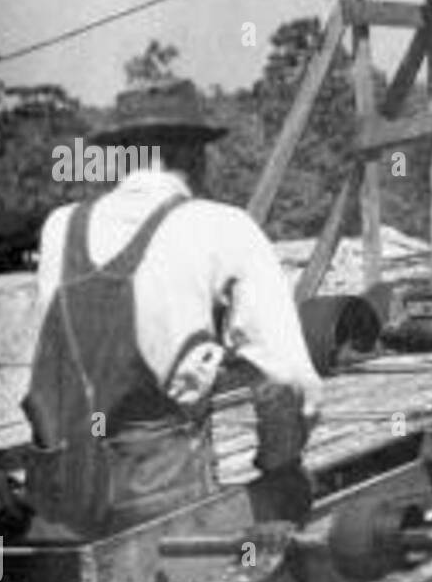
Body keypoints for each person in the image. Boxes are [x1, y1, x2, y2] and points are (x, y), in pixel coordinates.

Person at [22, 78, 322, 540]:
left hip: (60, 500)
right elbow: (286, 380)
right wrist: (280, 468)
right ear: (190, 156)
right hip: (162, 501)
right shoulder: (221, 226)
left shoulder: (60, 228)